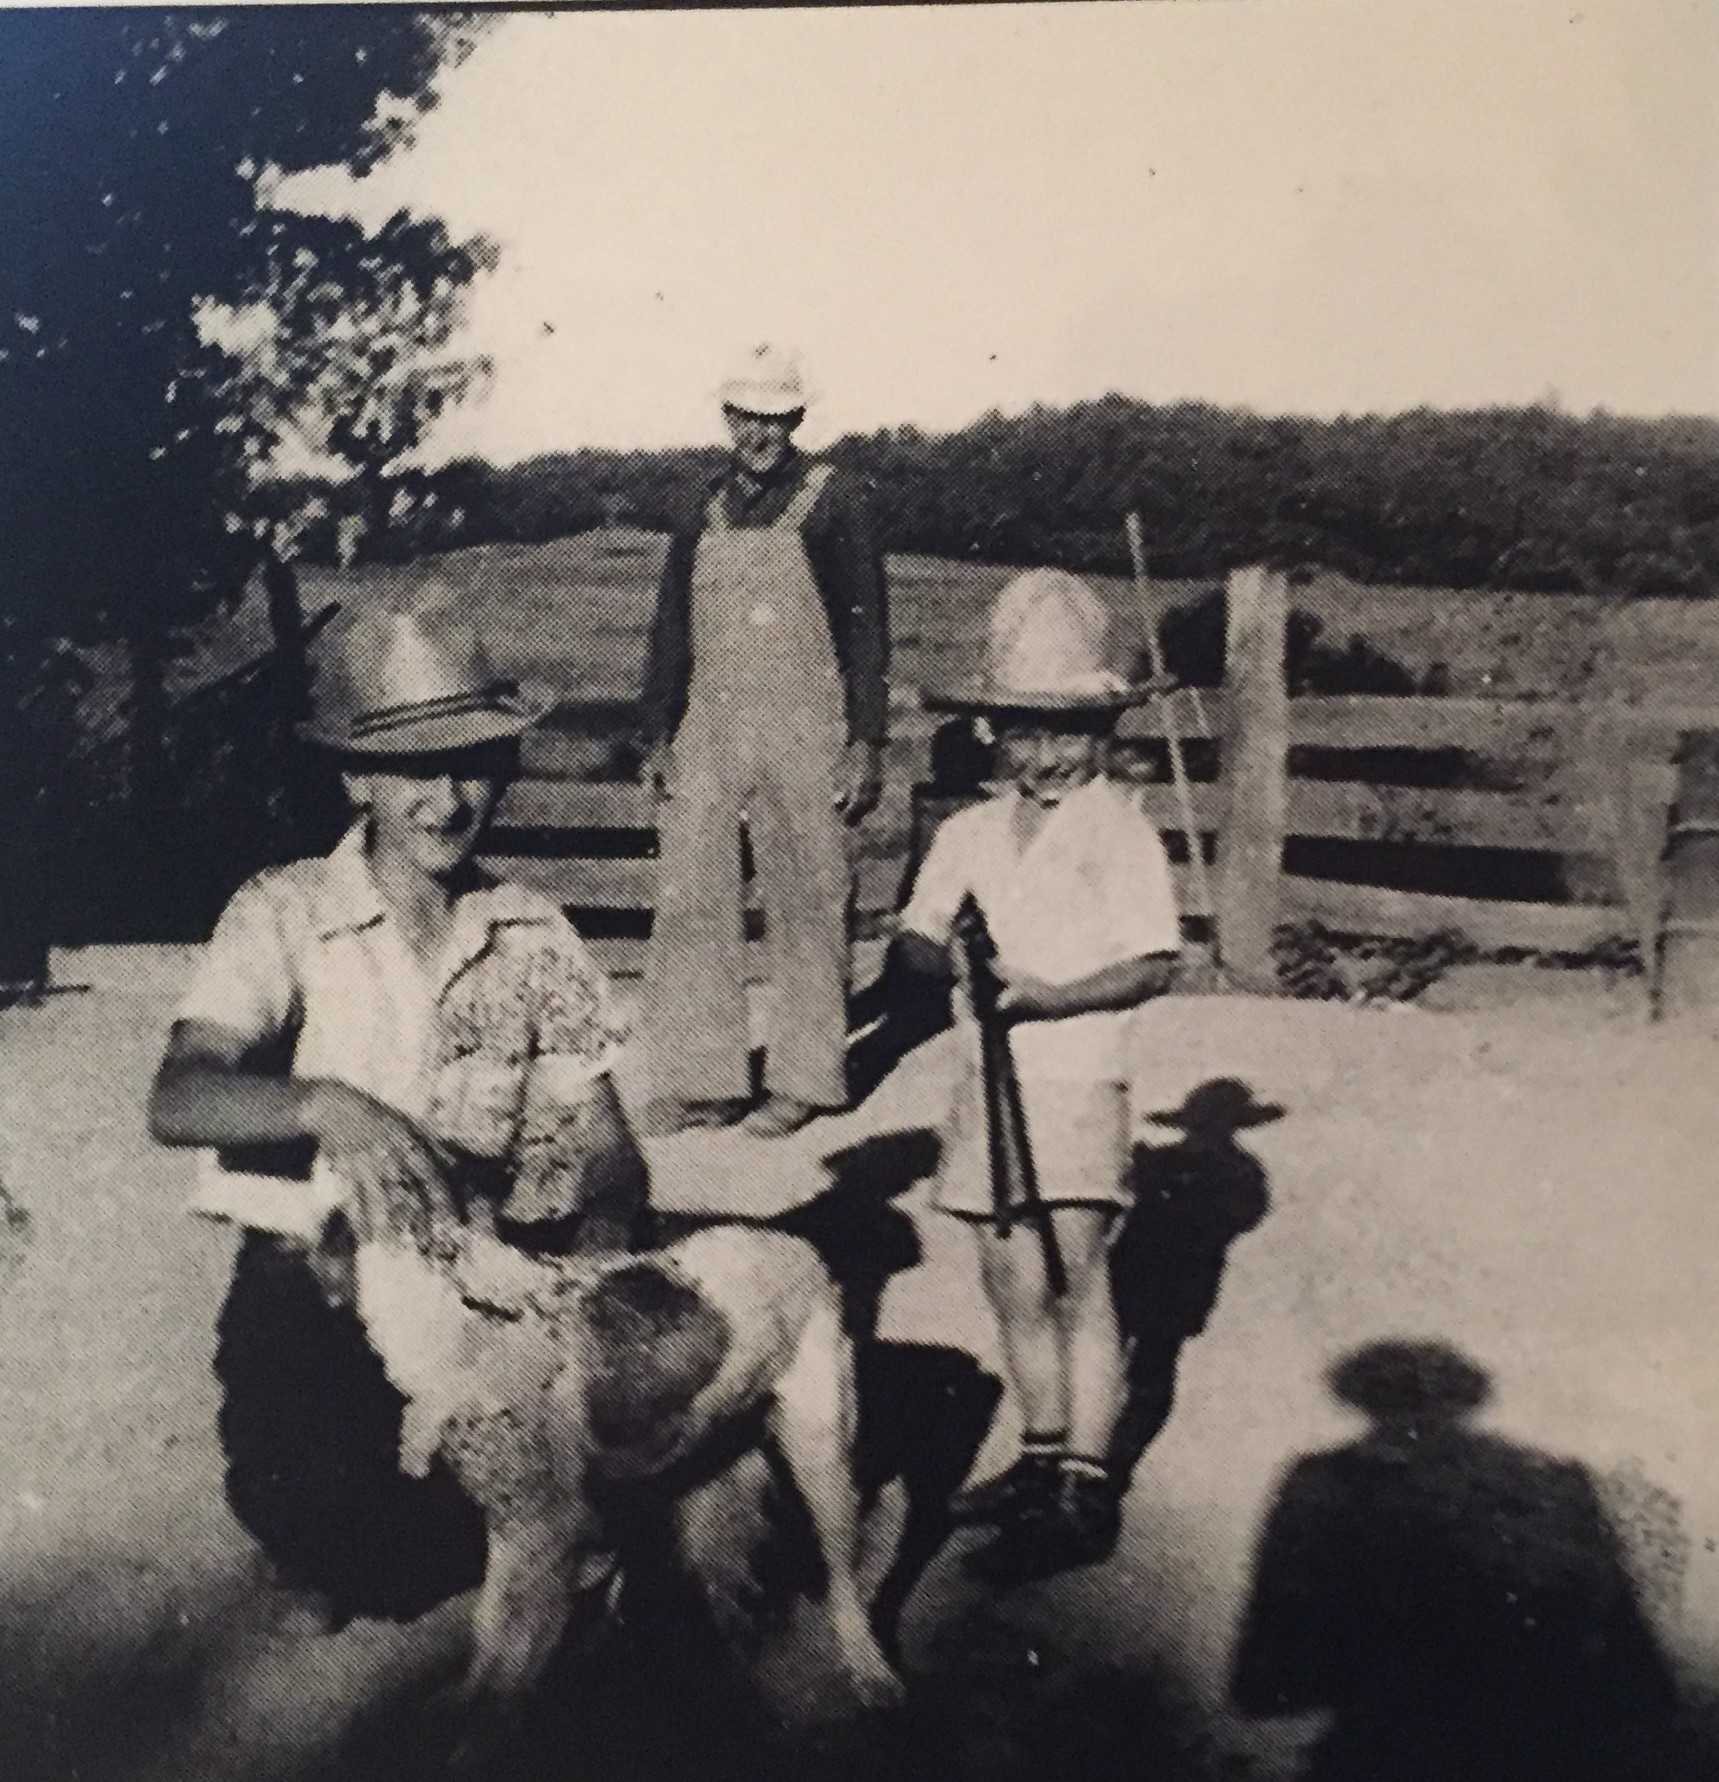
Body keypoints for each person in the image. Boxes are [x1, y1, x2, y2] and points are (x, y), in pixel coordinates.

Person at [148, 604, 650, 1630]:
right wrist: (329, 1104)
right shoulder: (283, 910)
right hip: (333, 1275)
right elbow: (178, 1098)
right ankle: (320, 1519)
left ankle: (533, 1488)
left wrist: (596, 1278)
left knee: (568, 1500)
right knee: (320, 1523)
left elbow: (606, 1145)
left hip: (486, 1263)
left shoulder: (531, 932)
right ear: (356, 780)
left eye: (472, 763)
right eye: (414, 769)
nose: (446, 798)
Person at [895, 569, 1181, 1585]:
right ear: (992, 734)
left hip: (1073, 1078)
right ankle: (1040, 1446)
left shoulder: (1120, 831)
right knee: (1009, 1276)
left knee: (1075, 1270)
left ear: (1105, 732)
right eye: (1022, 730)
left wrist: (1051, 997)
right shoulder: (967, 833)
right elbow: (918, 940)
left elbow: (1155, 960)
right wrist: (950, 959)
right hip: (988, 1082)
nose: (1045, 754)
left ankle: (1087, 1481)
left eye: (1068, 731)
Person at [639, 345, 889, 1139]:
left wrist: (865, 742)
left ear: (797, 419)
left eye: (777, 418)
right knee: (690, 895)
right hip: (708, 725)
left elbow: (866, 630)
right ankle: (701, 1080)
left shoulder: (834, 499)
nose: (762, 433)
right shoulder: (699, 506)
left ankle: (806, 1078)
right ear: (727, 419)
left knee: (810, 895)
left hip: (806, 727)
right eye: (748, 417)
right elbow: (671, 627)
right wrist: (656, 733)